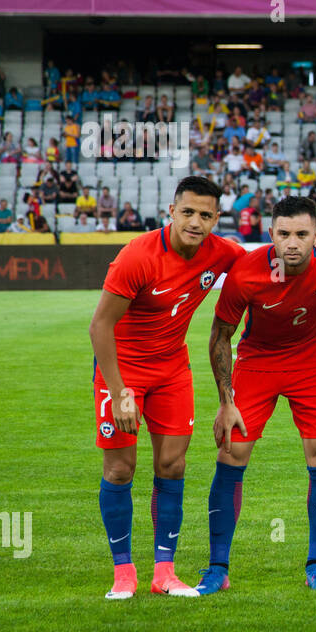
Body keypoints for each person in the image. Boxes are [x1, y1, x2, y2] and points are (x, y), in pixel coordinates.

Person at [201, 197, 316, 595]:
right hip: (256, 363)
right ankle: (217, 568)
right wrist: (226, 402)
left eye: (302, 234)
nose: (293, 243)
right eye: (284, 234)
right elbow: (220, 337)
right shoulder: (246, 272)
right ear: (271, 235)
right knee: (231, 453)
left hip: (311, 362)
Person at [87, 177, 245, 599]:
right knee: (120, 469)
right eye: (188, 212)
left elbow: (264, 264)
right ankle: (124, 573)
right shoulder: (137, 257)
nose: (196, 222)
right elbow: (100, 326)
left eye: (206, 215)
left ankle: (164, 572)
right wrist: (121, 391)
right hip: (123, 371)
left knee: (172, 467)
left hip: (173, 371)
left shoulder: (223, 253)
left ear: (216, 218)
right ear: (171, 211)